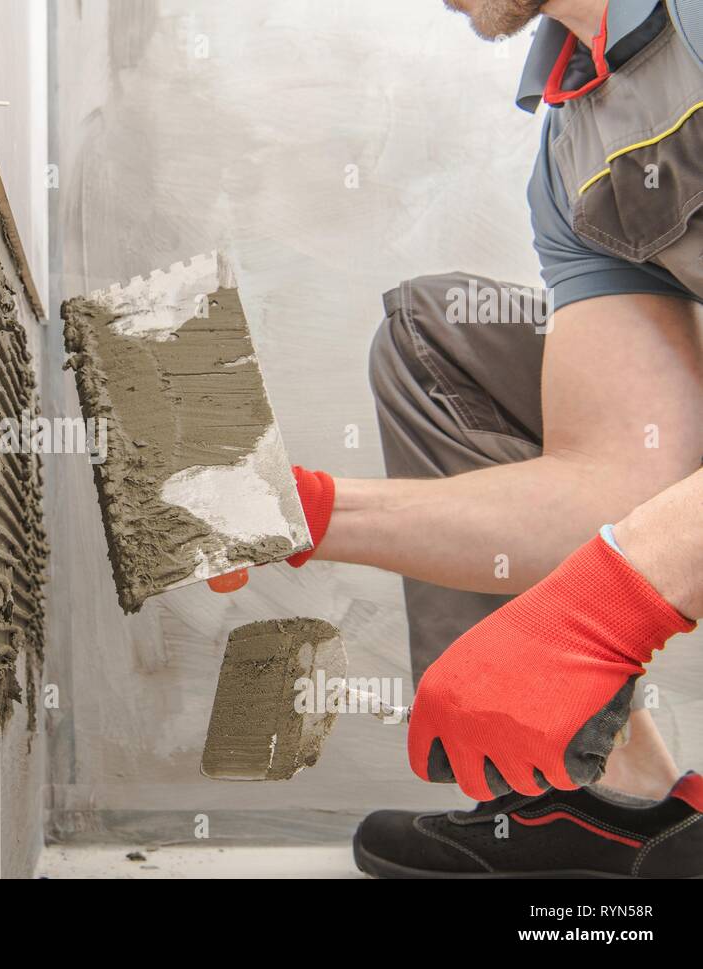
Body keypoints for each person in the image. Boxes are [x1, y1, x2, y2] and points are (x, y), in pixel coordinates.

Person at [217, 0, 703, 877]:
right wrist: (308, 513)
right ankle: (600, 804)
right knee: (437, 340)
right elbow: (616, 479)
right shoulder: (574, 147)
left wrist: (599, 615)